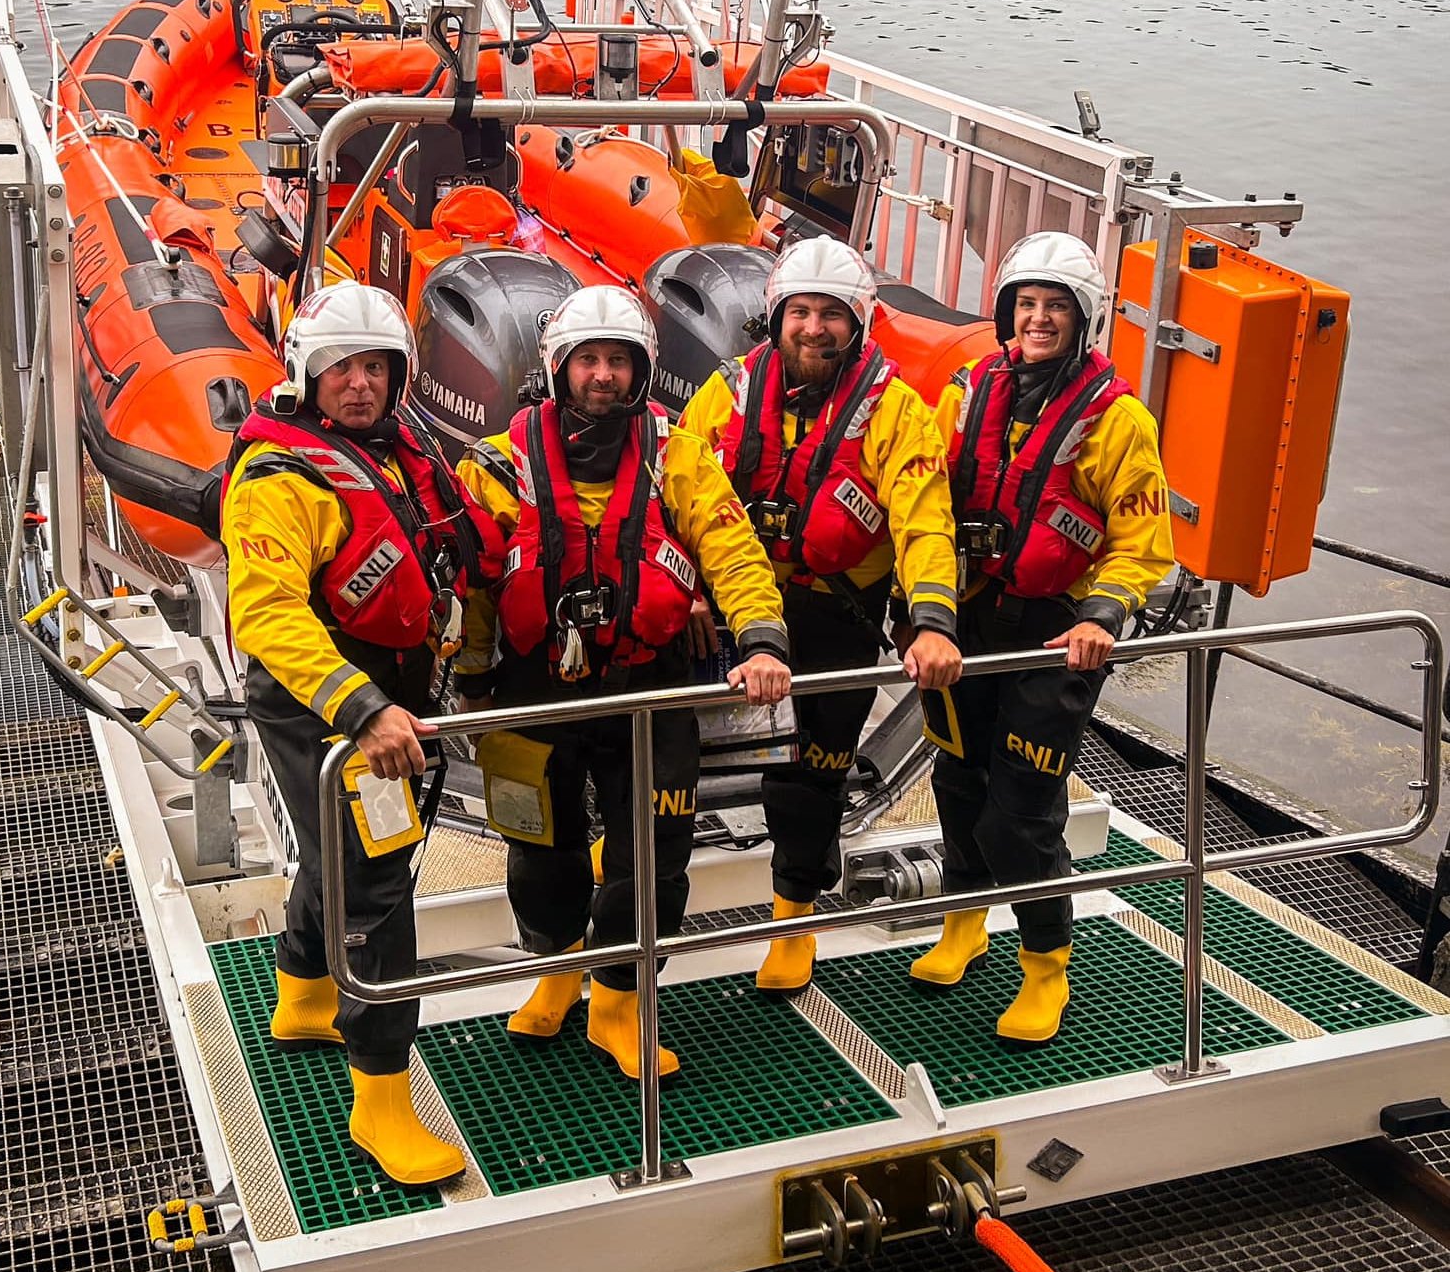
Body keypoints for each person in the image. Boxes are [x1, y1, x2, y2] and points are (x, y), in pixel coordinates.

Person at [454, 285, 791, 1080]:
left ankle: (618, 998)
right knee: (539, 846)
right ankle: (556, 967)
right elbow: (476, 587)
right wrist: (472, 681)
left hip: (648, 691)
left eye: (619, 360)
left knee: (654, 857)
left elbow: (734, 551)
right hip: (535, 690)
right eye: (589, 360)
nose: (603, 375)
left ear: (642, 370)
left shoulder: (681, 457)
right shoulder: (497, 463)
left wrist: (761, 640)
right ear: (558, 368)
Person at [221, 281, 501, 1186]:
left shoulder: (394, 451)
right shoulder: (280, 479)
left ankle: (301, 992)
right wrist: (363, 709)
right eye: (342, 368)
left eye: (377, 369)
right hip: (324, 698)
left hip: (386, 686)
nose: (360, 385)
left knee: (331, 851)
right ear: (308, 373)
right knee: (376, 879)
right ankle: (380, 1099)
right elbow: (267, 614)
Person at [907, 231, 1175, 1044]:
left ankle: (1045, 966)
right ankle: (963, 924)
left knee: (1019, 812)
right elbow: (923, 496)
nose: (1039, 319)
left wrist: (1103, 616)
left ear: (1083, 318)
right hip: (970, 620)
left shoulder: (1118, 421)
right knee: (958, 781)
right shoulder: (969, 394)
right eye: (1026, 304)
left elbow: (1143, 542)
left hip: (1058, 635)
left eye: (1056, 307)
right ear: (1004, 314)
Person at [680, 234, 963, 994]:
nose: (814, 328)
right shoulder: (728, 392)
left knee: (812, 777)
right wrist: (691, 592)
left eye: (831, 314)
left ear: (858, 323)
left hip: (835, 616)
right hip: (729, 615)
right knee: (672, 758)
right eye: (800, 312)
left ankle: (793, 921)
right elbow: (675, 487)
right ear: (775, 317)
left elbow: (925, 522)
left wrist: (932, 621)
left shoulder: (896, 413)